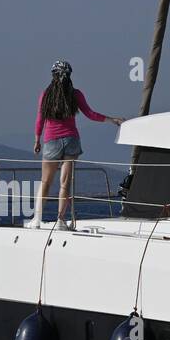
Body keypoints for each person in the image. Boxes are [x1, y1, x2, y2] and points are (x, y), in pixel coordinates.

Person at [27, 60, 123, 230]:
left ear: (53, 75)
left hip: (51, 142)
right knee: (65, 184)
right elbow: (91, 114)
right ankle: (61, 221)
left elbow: (40, 120)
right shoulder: (75, 94)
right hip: (71, 140)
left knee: (45, 182)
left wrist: (36, 140)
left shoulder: (46, 94)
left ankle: (36, 220)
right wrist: (112, 119)